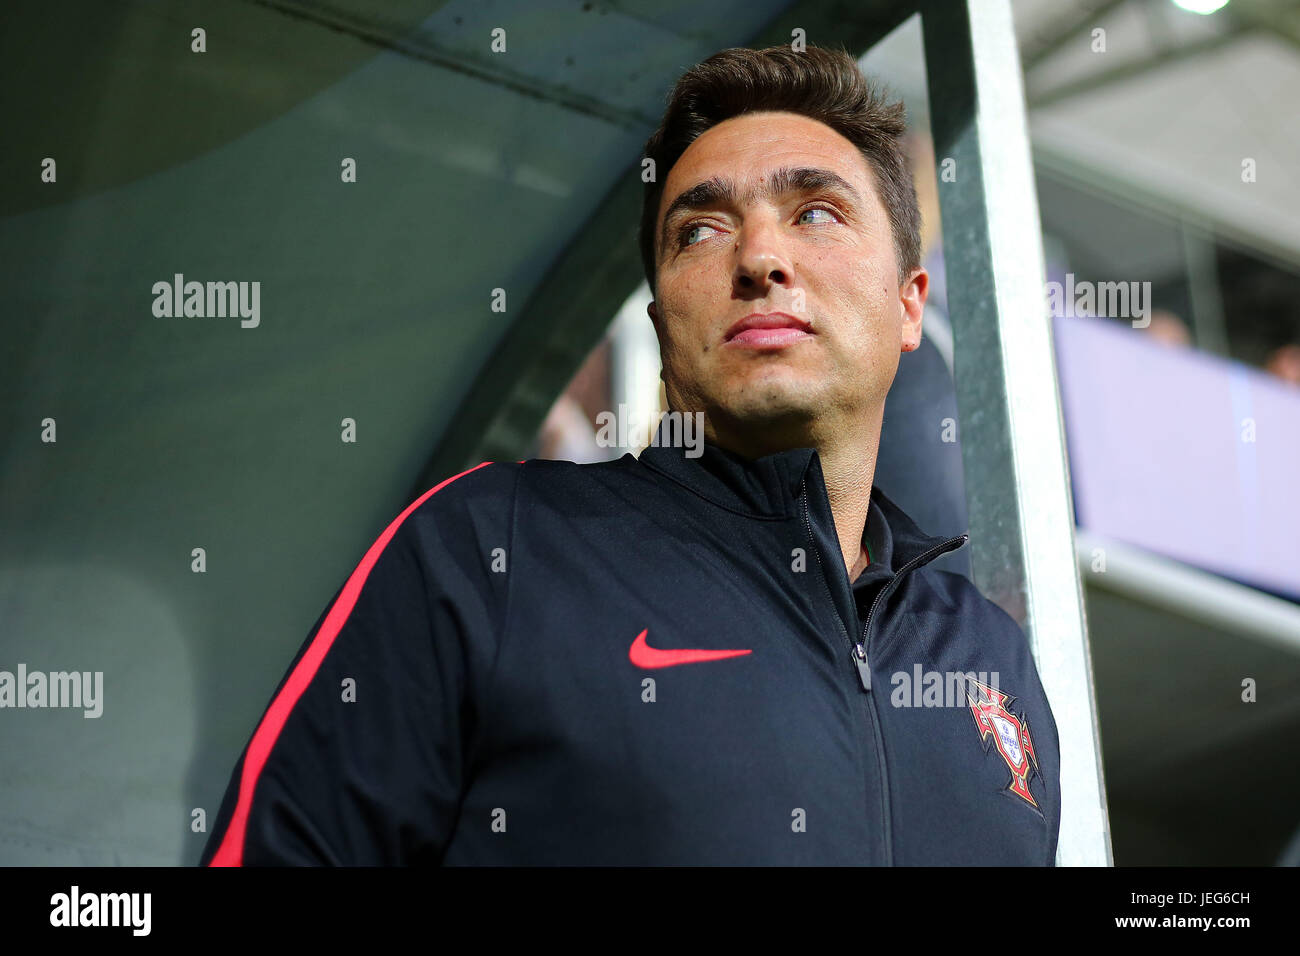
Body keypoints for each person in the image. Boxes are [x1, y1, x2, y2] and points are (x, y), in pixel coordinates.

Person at [202, 44, 1060, 866]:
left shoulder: (989, 660)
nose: (759, 256)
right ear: (661, 325)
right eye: (699, 230)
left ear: (911, 305)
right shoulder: (487, 549)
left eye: (816, 213)